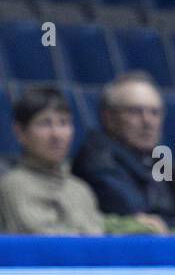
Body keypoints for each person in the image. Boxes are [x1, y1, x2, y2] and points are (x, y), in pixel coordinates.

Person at [72, 72, 175, 233]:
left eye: (155, 112)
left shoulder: (156, 161)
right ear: (109, 117)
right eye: (135, 112)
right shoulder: (97, 158)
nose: (148, 121)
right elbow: (138, 216)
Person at [0, 87, 104, 235]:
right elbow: (44, 241)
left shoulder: (80, 189)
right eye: (44, 123)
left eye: (63, 123)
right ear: (20, 132)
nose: (56, 134)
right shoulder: (14, 185)